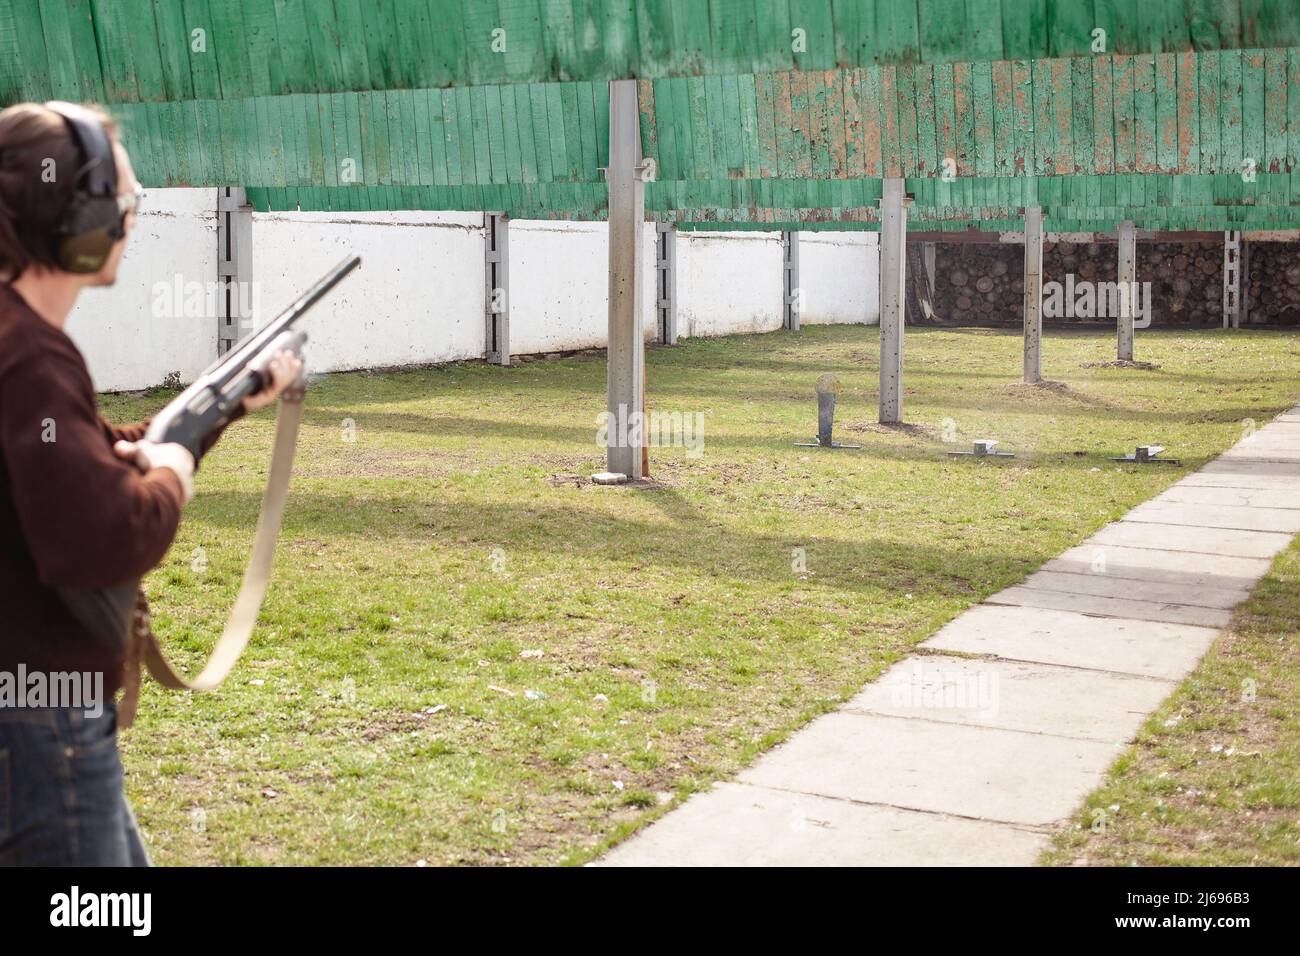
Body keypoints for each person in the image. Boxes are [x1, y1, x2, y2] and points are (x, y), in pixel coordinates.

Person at [0, 101, 300, 866]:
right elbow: (101, 535)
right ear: (80, 217)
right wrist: (171, 476)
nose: (132, 222)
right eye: (124, 204)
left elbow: (84, 461)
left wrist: (216, 407)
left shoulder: (19, 343)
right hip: (44, 730)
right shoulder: (31, 359)